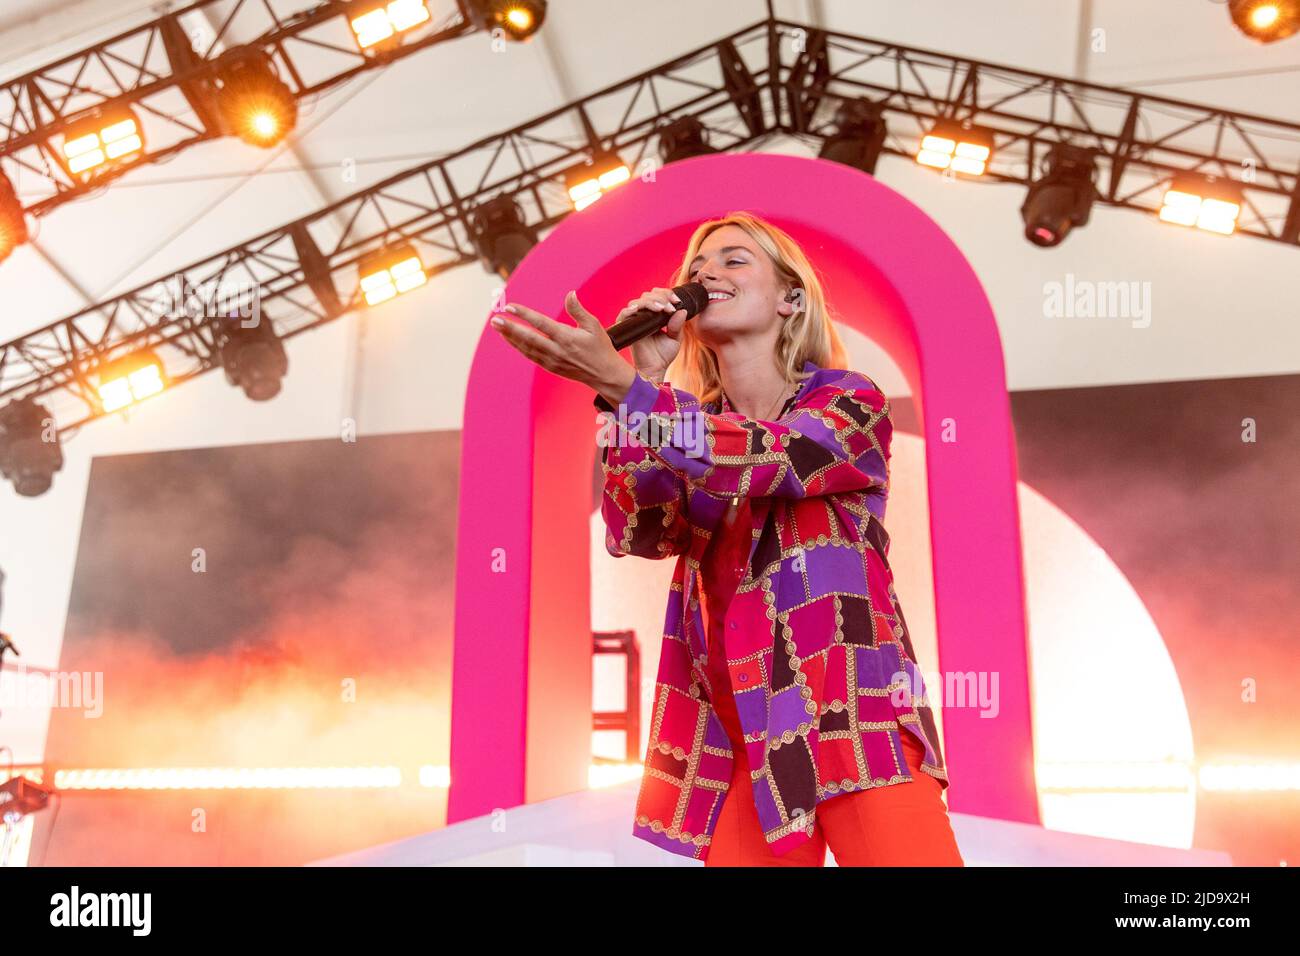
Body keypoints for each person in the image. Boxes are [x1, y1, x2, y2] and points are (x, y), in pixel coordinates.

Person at [491, 211, 963, 867]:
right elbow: (639, 531)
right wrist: (645, 384)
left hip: (853, 716)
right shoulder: (684, 424)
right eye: (696, 268)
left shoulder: (848, 403)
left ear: (790, 299)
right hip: (747, 735)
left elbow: (766, 459)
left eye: (734, 260)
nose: (706, 274)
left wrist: (627, 393)